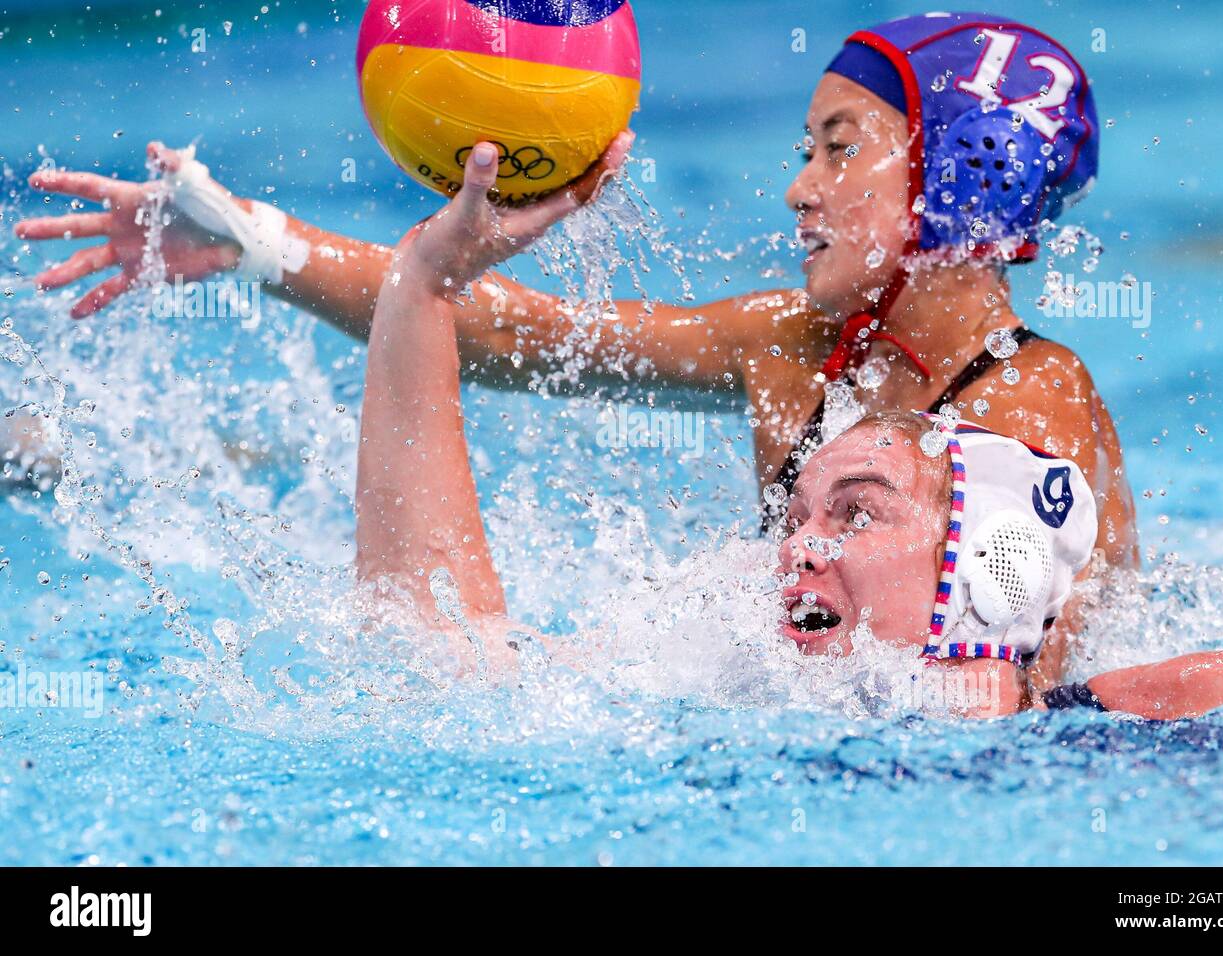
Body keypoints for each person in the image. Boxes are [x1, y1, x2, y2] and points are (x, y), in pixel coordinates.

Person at [15, 12, 1135, 685]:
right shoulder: (794, 345)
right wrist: (255, 242)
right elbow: (513, 331)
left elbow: (996, 683)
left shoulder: (1033, 403)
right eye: (806, 150)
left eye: (839, 150)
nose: (797, 188)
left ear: (957, 177)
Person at [358, 139, 1223, 720]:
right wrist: (423, 289)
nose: (796, 546)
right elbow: (436, 658)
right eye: (802, 513)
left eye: (856, 511)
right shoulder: (732, 704)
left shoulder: (1113, 723)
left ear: (987, 560)